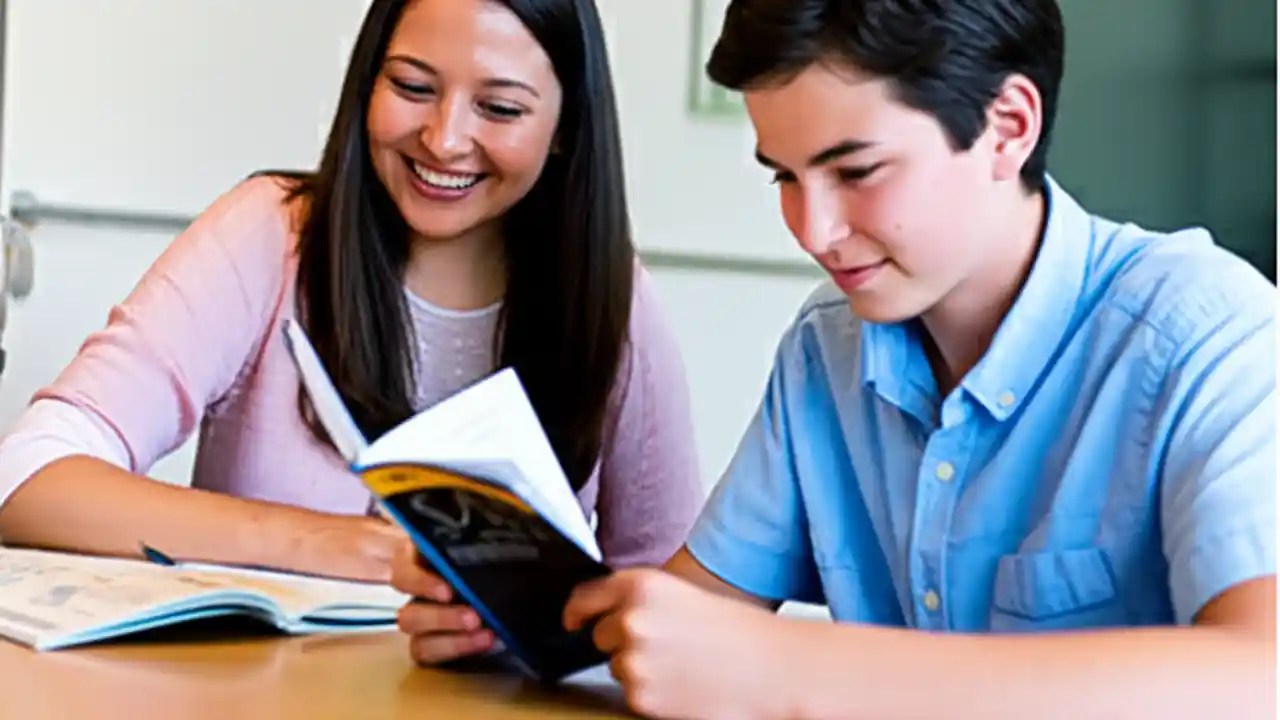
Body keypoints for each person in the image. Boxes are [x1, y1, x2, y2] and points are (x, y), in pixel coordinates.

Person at [400, 0, 1277, 716]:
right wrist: (526, 625)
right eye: (783, 176)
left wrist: (790, 669)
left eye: (855, 171)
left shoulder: (1206, 332)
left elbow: (1258, 677)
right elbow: (697, 626)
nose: (813, 231)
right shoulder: (829, 348)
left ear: (1008, 126)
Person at [0, 0, 702, 597]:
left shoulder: (615, 305)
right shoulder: (270, 237)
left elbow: (674, 603)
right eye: (413, 86)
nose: (445, 138)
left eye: (499, 108)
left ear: (564, 132)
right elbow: (26, 479)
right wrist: (340, 547)